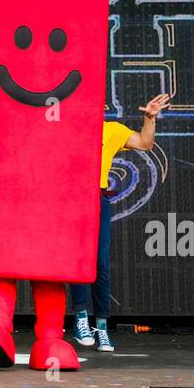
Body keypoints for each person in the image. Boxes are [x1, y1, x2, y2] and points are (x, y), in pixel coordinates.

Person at [70, 93, 170, 352]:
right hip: (71, 198)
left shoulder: (112, 130)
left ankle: (102, 327)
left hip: (98, 198)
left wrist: (150, 118)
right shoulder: (66, 128)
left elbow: (145, 143)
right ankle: (81, 318)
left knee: (100, 263)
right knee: (78, 259)